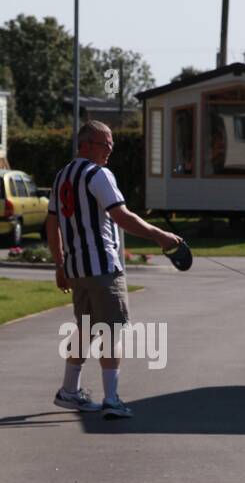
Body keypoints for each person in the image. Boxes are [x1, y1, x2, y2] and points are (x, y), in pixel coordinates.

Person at [46, 120, 181, 419]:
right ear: (86, 145)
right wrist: (160, 235)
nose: (110, 150)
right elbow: (121, 215)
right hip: (104, 267)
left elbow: (52, 223)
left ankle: (69, 391)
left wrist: (60, 264)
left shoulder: (62, 176)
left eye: (111, 144)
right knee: (111, 332)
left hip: (78, 269)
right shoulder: (98, 174)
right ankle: (112, 399)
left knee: (85, 331)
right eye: (105, 144)